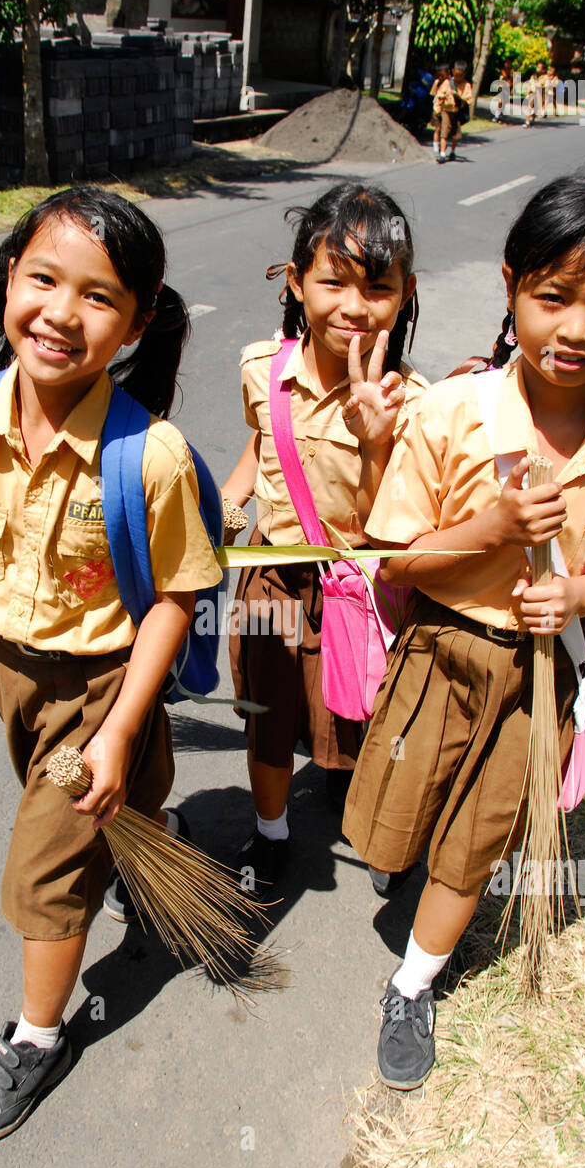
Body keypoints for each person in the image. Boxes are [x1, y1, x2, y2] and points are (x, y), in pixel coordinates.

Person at [0, 186, 222, 1142]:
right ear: (9, 278)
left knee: (45, 867)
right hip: (10, 674)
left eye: (100, 296)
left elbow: (174, 602)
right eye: (43, 278)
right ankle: (150, 847)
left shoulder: (149, 456)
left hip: (105, 679)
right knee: (125, 794)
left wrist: (111, 726)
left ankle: (35, 1037)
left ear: (138, 321)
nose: (63, 313)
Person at [344, 175, 585, 1092]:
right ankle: (406, 868)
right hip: (443, 656)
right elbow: (396, 559)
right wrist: (487, 532)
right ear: (509, 287)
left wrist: (577, 595)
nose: (577, 329)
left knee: (481, 836)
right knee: (396, 820)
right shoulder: (451, 413)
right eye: (553, 297)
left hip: (544, 676)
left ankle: (414, 981)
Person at [220, 182, 428, 894]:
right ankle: (272, 832)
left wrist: (376, 443)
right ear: (296, 281)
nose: (354, 306)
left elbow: (394, 524)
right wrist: (227, 499)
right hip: (272, 581)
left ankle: (374, 824)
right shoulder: (260, 368)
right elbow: (264, 441)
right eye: (333, 281)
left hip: (361, 591)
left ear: (404, 294)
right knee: (268, 719)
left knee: (370, 718)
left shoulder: (414, 404)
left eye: (377, 287)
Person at [430, 64, 459, 161]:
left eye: (443, 73)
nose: (441, 76)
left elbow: (452, 98)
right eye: (439, 74)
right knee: (437, 129)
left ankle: (443, 153)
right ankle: (436, 149)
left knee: (445, 132)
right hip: (437, 109)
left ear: (448, 72)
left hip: (448, 110)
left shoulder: (451, 83)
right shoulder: (437, 82)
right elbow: (433, 94)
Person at [448, 60, 473, 159]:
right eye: (456, 74)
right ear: (453, 71)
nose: (458, 77)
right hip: (447, 109)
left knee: (455, 133)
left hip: (457, 111)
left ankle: (452, 151)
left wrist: (459, 98)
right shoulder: (448, 82)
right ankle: (441, 150)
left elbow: (468, 99)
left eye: (461, 75)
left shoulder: (466, 85)